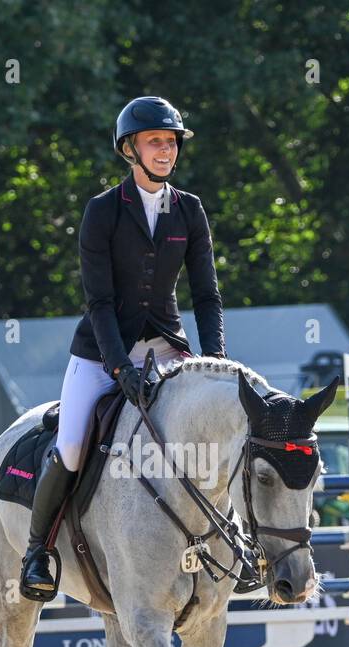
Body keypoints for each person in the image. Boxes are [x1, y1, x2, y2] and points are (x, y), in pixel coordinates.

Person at [18, 96, 226, 601]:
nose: (166, 150)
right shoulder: (103, 211)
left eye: (171, 141)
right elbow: (101, 301)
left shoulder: (190, 209)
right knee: (70, 447)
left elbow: (205, 293)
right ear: (129, 149)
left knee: (212, 433)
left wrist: (215, 359)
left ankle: (228, 544)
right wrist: (118, 366)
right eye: (155, 141)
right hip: (100, 351)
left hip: (169, 347)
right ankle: (37, 551)